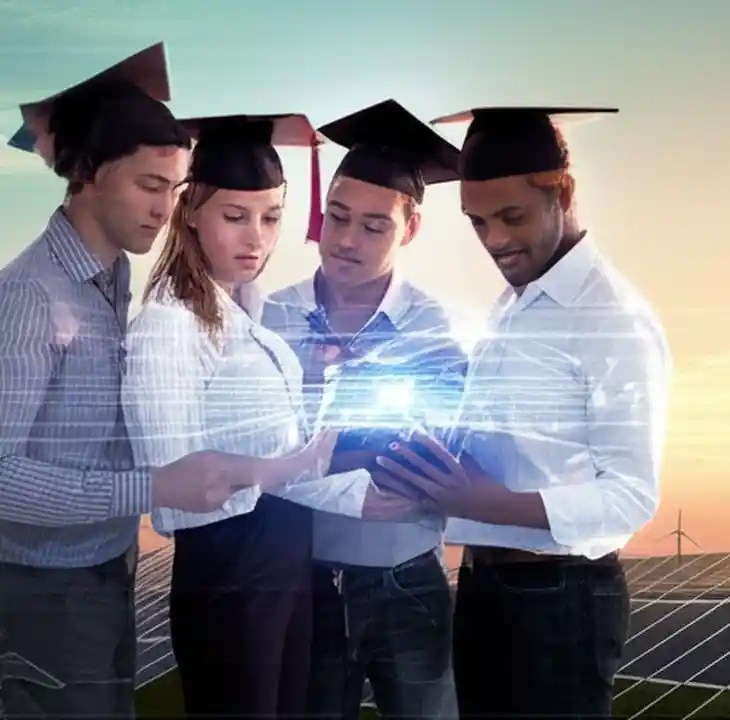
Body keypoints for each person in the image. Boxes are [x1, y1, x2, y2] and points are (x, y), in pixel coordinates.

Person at [0, 43, 319, 719]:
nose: (164, 208)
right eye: (150, 185)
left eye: (173, 189)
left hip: (103, 568)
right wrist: (156, 486)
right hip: (42, 587)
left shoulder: (109, 277)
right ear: (86, 172)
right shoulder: (32, 295)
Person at [120, 113, 427, 719]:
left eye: (271, 216)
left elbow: (286, 466)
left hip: (286, 564)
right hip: (228, 573)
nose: (255, 238)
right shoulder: (167, 327)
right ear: (189, 211)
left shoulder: (247, 317)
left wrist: (355, 496)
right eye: (234, 216)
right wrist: (297, 461)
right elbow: (175, 492)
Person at [377, 106, 672, 718]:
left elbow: (629, 496)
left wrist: (485, 503)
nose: (494, 240)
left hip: (560, 602)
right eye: (476, 222)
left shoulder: (610, 318)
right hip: (487, 591)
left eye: (512, 216)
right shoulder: (512, 307)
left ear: (562, 193)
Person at [261, 98, 468, 720]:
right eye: (337, 216)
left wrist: (312, 448)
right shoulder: (271, 317)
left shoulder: (431, 328)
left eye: (374, 225)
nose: (346, 240)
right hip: (303, 580)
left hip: (406, 577)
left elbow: (425, 459)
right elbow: (251, 450)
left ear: (410, 229)